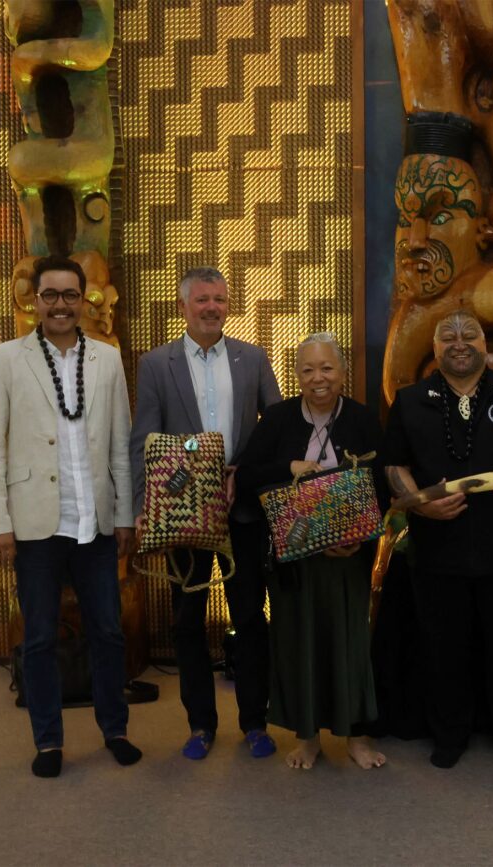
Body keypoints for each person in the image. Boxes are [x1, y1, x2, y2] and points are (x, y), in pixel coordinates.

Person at [0, 255, 141, 778]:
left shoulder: (107, 360)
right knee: (41, 636)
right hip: (33, 526)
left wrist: (126, 516)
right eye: (51, 295)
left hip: (93, 522)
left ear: (83, 298)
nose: (61, 305)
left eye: (71, 295)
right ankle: (48, 741)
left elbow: (120, 446)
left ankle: (115, 729)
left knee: (109, 634)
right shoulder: (5, 359)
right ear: (35, 301)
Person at [382, 310, 493, 769]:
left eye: (469, 334)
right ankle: (449, 734)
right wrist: (419, 503)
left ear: (484, 342)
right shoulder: (410, 400)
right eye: (448, 336)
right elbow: (394, 466)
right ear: (435, 348)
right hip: (437, 552)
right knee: (443, 650)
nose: (459, 343)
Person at [130, 267, 282, 760]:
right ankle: (200, 725)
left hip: (243, 513)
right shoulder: (156, 364)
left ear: (228, 304)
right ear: (184, 307)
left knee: (250, 618)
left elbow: (275, 429)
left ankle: (256, 722)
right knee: (187, 621)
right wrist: (141, 508)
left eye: (219, 298)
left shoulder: (253, 358)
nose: (212, 307)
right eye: (202, 300)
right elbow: (144, 441)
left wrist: (248, 473)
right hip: (182, 513)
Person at [235, 334, 385, 770]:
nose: (318, 379)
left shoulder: (360, 418)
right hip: (294, 561)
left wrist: (360, 537)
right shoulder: (279, 419)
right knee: (299, 643)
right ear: (296, 375)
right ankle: (307, 738)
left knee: (350, 644)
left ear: (341, 372)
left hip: (348, 558)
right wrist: (289, 467)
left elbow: (381, 484)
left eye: (327, 369)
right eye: (308, 370)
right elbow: (246, 478)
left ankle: (356, 736)